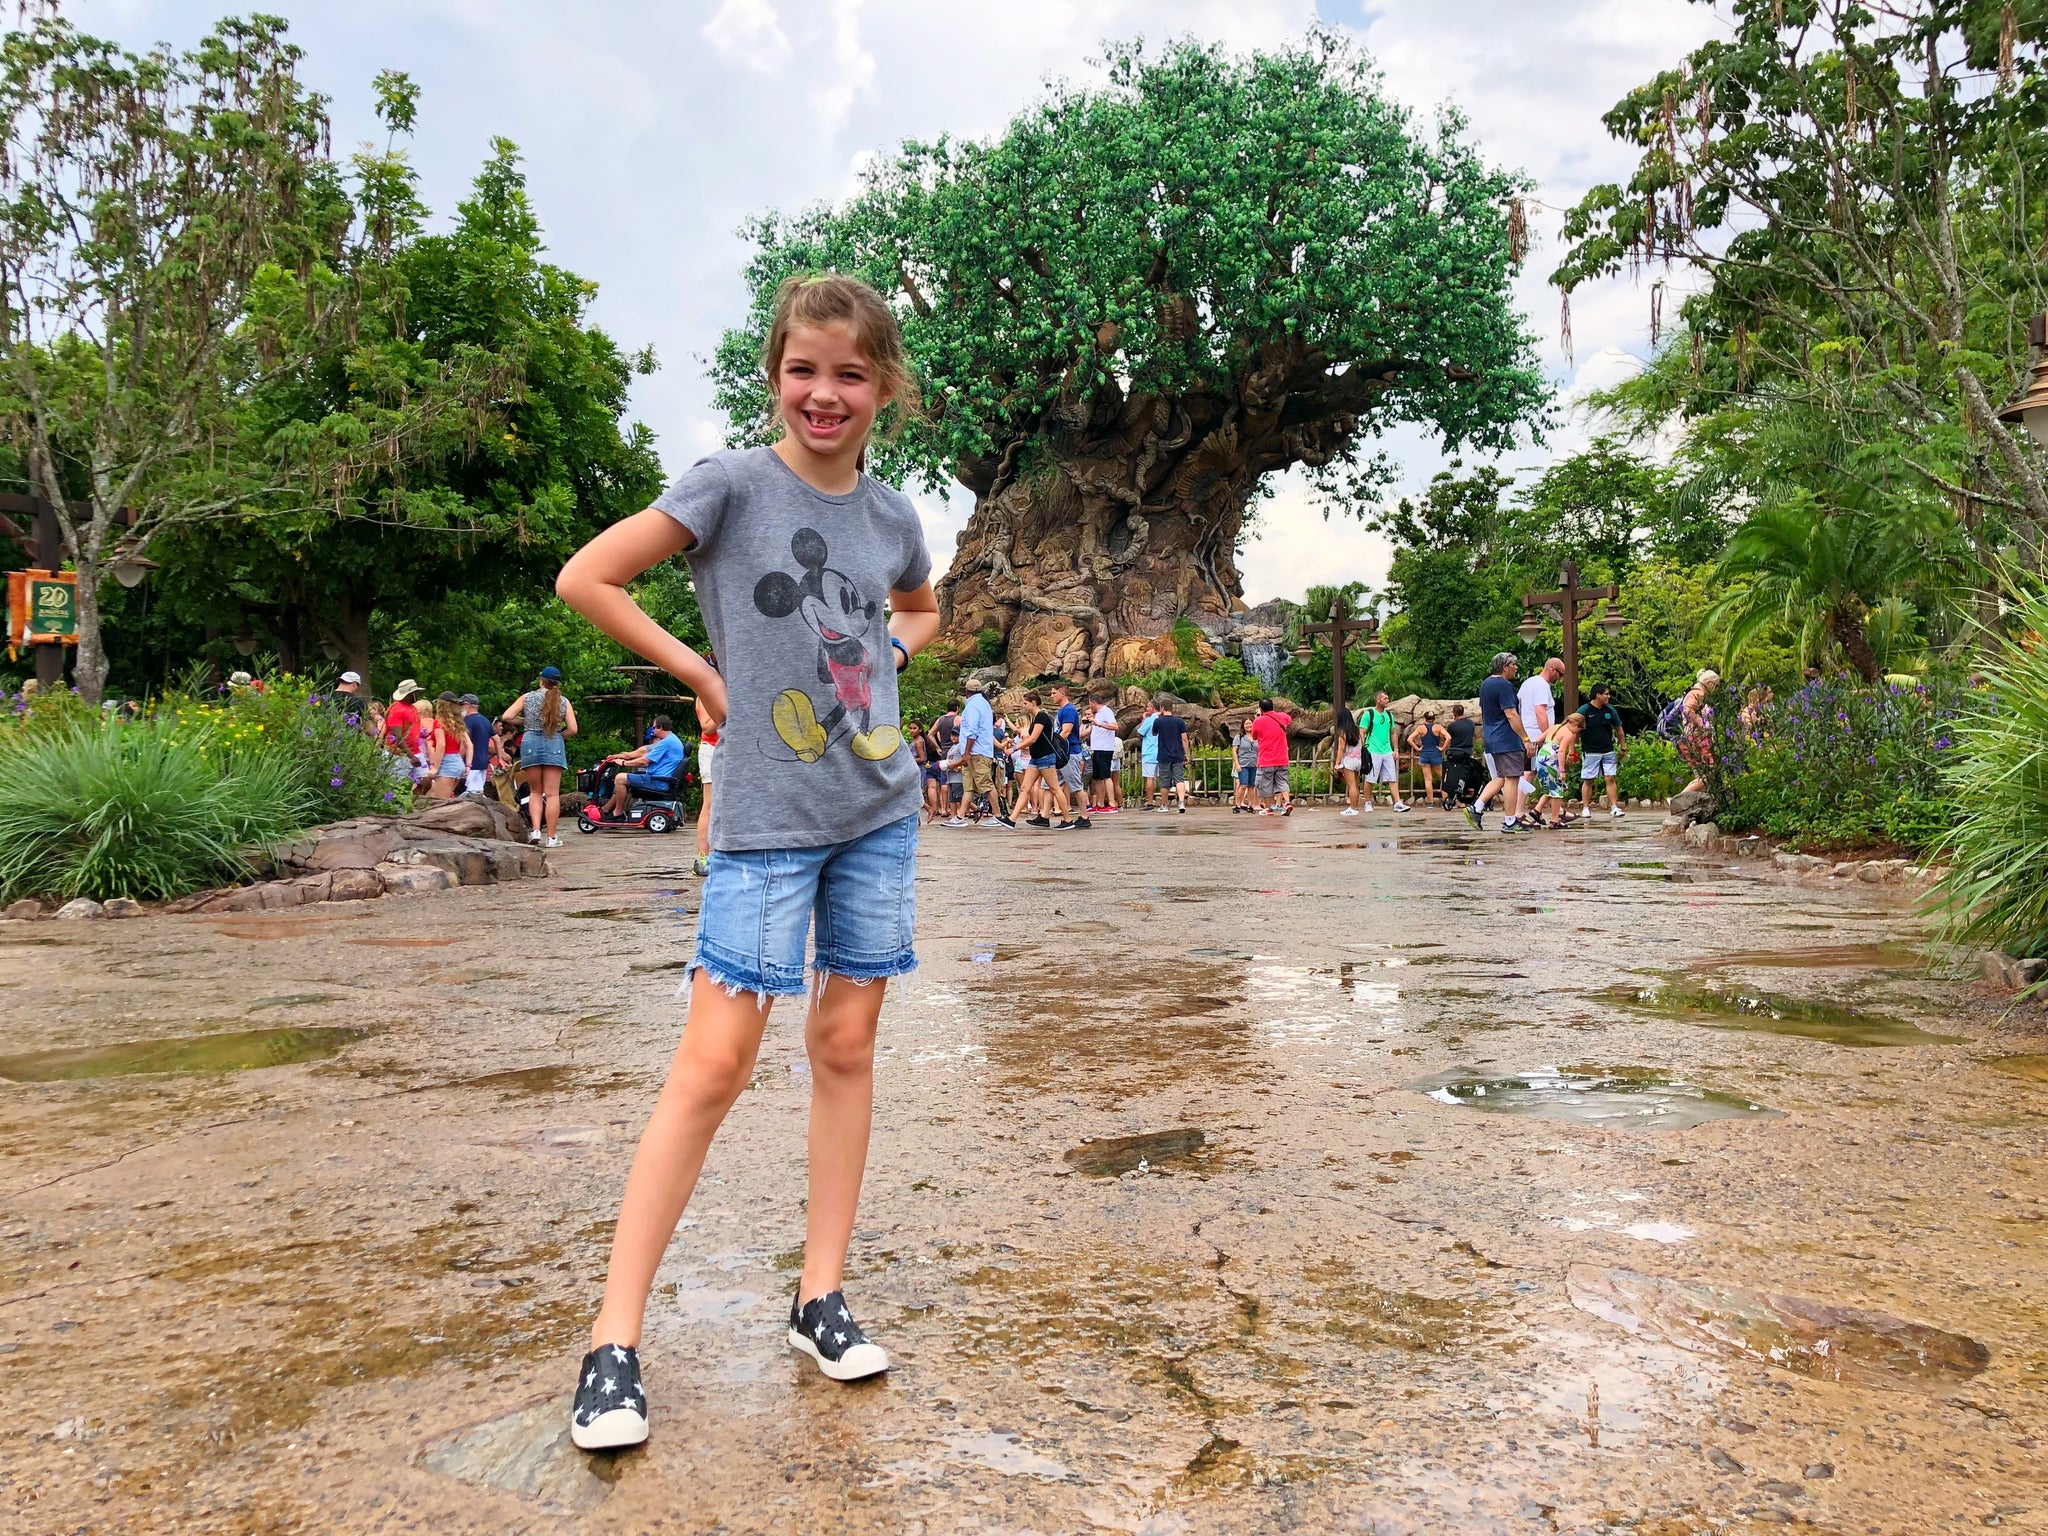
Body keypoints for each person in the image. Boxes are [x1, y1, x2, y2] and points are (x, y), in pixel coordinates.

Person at [552, 271, 939, 1450]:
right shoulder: (726, 485)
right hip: (767, 819)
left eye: (850, 374)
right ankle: (613, 1342)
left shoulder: (891, 516)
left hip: (876, 807)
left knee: (845, 1042)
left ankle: (818, 1296)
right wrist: (708, 677)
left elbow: (916, 609)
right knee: (713, 1064)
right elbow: (587, 577)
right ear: (775, 371)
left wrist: (887, 658)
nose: (824, 395)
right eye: (804, 370)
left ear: (883, 386)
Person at [502, 666, 578, 848]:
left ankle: (535, 830)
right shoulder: (563, 701)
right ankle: (551, 837)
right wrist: (559, 735)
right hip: (554, 743)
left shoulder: (528, 697)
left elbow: (507, 716)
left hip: (530, 743)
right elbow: (574, 729)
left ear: (540, 680)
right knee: (552, 794)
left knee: (535, 792)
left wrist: (524, 721)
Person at [1468, 653, 1534, 833]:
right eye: (1514, 664)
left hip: (1492, 738)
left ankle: (1477, 807)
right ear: (1505, 666)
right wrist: (1526, 739)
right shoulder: (1504, 685)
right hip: (1507, 739)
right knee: (1512, 779)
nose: (1516, 668)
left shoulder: (1486, 684)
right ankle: (1510, 821)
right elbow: (1511, 714)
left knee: (1501, 777)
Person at [599, 714, 687, 820]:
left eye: (654, 727)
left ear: (660, 727)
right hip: (663, 780)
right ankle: (608, 809)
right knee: (629, 778)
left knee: (620, 778)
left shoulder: (665, 743)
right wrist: (618, 757)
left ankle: (618, 812)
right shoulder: (673, 739)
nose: (653, 730)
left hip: (657, 782)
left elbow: (644, 761)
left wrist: (623, 763)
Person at [952, 678, 1000, 826]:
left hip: (976, 752)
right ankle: (960, 817)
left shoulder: (973, 706)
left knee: (985, 783)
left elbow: (972, 731)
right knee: (969, 786)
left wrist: (966, 753)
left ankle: (998, 815)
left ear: (967, 691)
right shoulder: (984, 704)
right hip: (978, 750)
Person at [1012, 690, 1063, 827]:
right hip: (1035, 758)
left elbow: (1033, 738)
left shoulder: (1041, 717)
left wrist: (1015, 748)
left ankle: (1068, 819)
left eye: (1025, 703)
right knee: (1025, 788)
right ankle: (1011, 819)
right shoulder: (1035, 717)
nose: (1024, 706)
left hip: (1045, 757)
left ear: (1033, 703)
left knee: (1055, 788)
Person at [1577, 683, 1626, 819]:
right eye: (1606, 694)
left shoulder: (1610, 710)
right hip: (1590, 751)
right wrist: (1570, 749)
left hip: (1608, 750)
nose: (1608, 696)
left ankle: (1614, 807)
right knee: (1589, 779)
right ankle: (1586, 808)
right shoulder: (1584, 710)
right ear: (1598, 695)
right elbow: (1573, 727)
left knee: (1610, 778)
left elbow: (1619, 729)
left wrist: (1623, 746)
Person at [1518, 657, 1563, 805]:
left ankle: (1557, 810)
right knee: (1529, 773)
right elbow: (1540, 712)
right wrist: (1548, 736)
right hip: (1536, 734)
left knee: (1531, 772)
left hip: (1527, 732)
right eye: (1560, 674)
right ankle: (1517, 813)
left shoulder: (1528, 683)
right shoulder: (1542, 685)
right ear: (1552, 669)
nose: (1560, 678)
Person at [1529, 711, 1583, 829]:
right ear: (1575, 725)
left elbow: (1538, 740)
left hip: (1541, 757)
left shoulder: (1554, 727)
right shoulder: (1568, 733)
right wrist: (1562, 770)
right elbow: (1562, 751)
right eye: (1579, 729)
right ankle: (1555, 820)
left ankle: (1537, 810)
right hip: (1551, 760)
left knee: (1550, 787)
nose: (1577, 732)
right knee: (1557, 791)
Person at [1049, 682, 1089, 829]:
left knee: (1076, 786)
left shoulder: (1069, 710)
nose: (1051, 696)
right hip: (1061, 754)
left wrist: (1054, 746)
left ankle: (1084, 816)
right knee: (1050, 785)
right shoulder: (1062, 711)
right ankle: (1043, 816)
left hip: (1069, 753)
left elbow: (1066, 732)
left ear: (1062, 693)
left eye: (1054, 693)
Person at [1361, 690, 1407, 813]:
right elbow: (1362, 731)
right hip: (1373, 750)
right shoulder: (1369, 714)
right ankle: (1368, 802)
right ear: (1378, 700)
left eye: (1387, 698)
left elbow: (1393, 732)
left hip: (1386, 750)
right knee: (1370, 779)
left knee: (1392, 777)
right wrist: (1363, 747)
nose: (1387, 700)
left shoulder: (1389, 715)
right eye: (1385, 698)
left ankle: (1397, 803)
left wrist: (1395, 749)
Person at [1678, 668, 1721, 795]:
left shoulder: (1693, 693)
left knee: (1701, 775)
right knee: (1709, 772)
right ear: (1709, 683)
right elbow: (1688, 710)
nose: (1717, 688)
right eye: (1716, 685)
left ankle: (1691, 800)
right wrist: (1702, 726)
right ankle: (1681, 796)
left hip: (1692, 737)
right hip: (1697, 738)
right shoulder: (1698, 694)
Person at [1247, 698, 1293, 815]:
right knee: (1283, 782)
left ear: (1261, 709)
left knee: (1265, 784)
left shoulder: (1258, 721)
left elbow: (1255, 736)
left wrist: (1258, 718)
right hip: (1282, 758)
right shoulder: (1281, 716)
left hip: (1266, 759)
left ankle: (1268, 809)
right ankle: (1287, 802)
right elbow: (1289, 719)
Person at [425, 692, 472, 801]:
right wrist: (467, 764)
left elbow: (441, 745)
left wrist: (435, 768)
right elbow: (467, 745)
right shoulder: (457, 723)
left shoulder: (439, 723)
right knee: (434, 795)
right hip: (457, 761)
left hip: (446, 763)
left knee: (440, 802)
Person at [693, 691, 719, 876]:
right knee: (709, 804)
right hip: (711, 749)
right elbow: (707, 727)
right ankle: (704, 857)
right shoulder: (705, 693)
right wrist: (729, 708)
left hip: (730, 748)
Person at [1152, 696, 1190, 813]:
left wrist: (1159, 717)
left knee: (1164, 781)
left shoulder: (1158, 721)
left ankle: (1164, 804)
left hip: (1164, 755)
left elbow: (1154, 733)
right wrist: (1186, 754)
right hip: (1177, 754)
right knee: (1179, 779)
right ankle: (1181, 803)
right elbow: (1184, 739)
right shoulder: (1179, 721)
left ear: (1162, 708)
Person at [1087, 686, 1120, 814]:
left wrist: (1099, 724)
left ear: (1094, 703)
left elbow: (1115, 726)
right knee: (1098, 777)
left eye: (1090, 705)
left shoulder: (1106, 711)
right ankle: (1100, 803)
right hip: (1097, 748)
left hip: (1105, 748)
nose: (1090, 708)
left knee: (1106, 776)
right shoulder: (1098, 714)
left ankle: (1112, 802)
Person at [1409, 710, 1449, 808]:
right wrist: (1442, 748)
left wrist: (1417, 748)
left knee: (1428, 779)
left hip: (1424, 754)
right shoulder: (1438, 727)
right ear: (1434, 718)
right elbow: (1448, 737)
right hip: (1436, 753)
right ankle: (1446, 800)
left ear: (1425, 718)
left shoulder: (1421, 728)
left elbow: (1409, 739)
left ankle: (1431, 802)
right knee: (1443, 778)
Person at [1441, 703, 1478, 809]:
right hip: (1468, 752)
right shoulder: (1471, 723)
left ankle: (1454, 797)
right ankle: (1467, 796)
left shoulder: (1452, 726)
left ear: (1454, 714)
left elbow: (1448, 738)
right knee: (1466, 776)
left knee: (1454, 776)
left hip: (1455, 753)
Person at [460, 694, 494, 798]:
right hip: (483, 761)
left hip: (471, 763)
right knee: (479, 790)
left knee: (472, 792)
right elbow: (496, 738)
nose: (460, 708)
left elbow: (464, 743)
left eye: (461, 705)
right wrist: (500, 757)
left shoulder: (468, 721)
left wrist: (459, 758)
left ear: (467, 705)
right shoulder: (485, 720)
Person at [383, 679, 423, 765]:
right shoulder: (396, 709)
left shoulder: (412, 707)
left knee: (425, 777)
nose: (418, 695)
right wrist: (411, 756)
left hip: (415, 752)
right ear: (411, 694)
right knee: (400, 778)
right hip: (399, 755)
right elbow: (396, 735)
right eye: (416, 692)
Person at [1333, 705, 1363, 815]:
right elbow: (1362, 744)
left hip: (1349, 761)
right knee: (1355, 784)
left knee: (1351, 785)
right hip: (1358, 760)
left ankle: (1353, 808)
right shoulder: (1358, 730)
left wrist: (1337, 762)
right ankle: (1355, 806)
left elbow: (1341, 748)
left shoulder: (1342, 732)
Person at [1137, 699, 1161, 809]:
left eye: (1148, 707)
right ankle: (1164, 801)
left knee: (1149, 778)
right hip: (1161, 752)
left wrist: (1144, 720)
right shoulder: (1162, 718)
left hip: (1149, 752)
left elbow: (1139, 733)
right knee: (1163, 777)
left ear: (1153, 708)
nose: (1146, 709)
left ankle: (1150, 802)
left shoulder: (1150, 720)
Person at [1231, 719, 1258, 812]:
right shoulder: (1239, 737)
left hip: (1254, 764)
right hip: (1243, 764)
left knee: (1252, 786)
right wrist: (1237, 764)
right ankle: (1237, 805)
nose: (1248, 725)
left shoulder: (1257, 736)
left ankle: (1250, 805)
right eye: (1246, 724)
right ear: (1243, 726)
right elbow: (1234, 751)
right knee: (1243, 785)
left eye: (1250, 723)